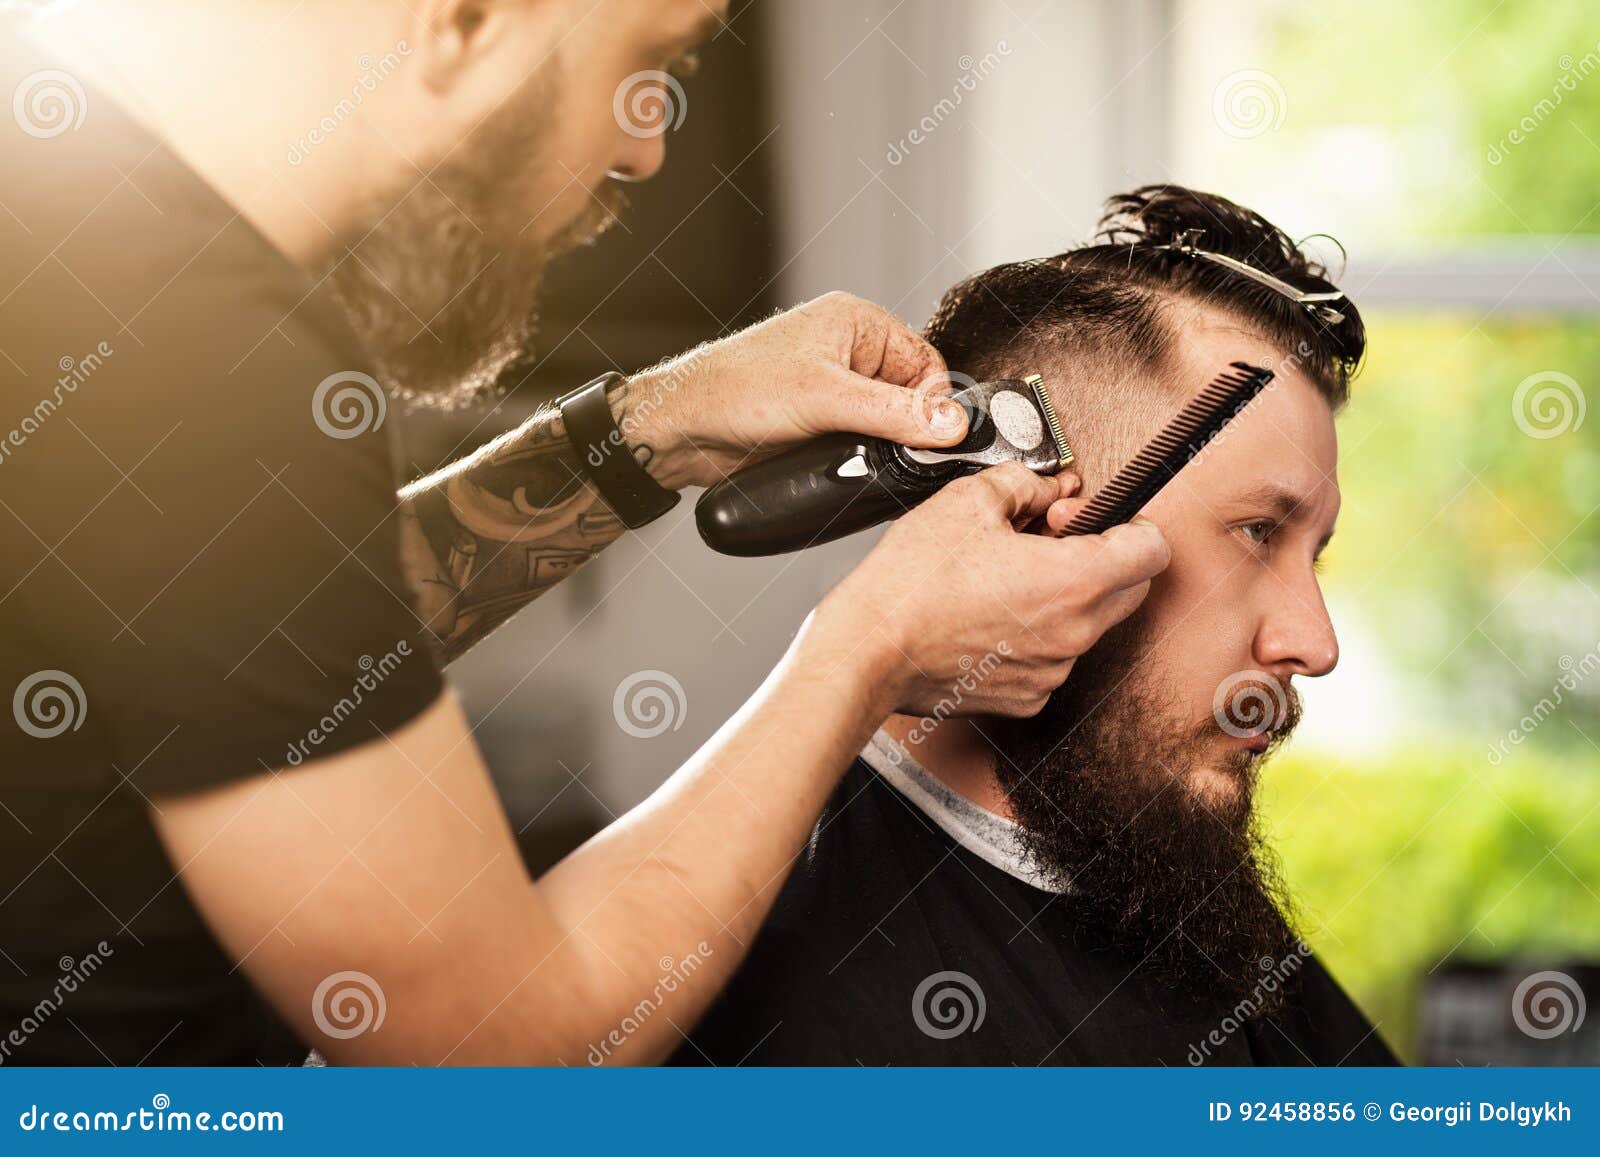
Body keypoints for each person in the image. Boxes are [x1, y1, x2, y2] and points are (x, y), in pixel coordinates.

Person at [0, 1, 1170, 1065]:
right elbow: (500, 1053)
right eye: (645, 66)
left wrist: (641, 434)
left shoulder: (69, 225)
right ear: (465, 23)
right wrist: (864, 649)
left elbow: (257, 649)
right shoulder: (198, 363)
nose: (646, 148)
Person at [673, 186, 1402, 1067]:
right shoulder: (806, 1014)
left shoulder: (1170, 890)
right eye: (1257, 534)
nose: (1314, 644)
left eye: (1312, 554)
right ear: (1026, 523)